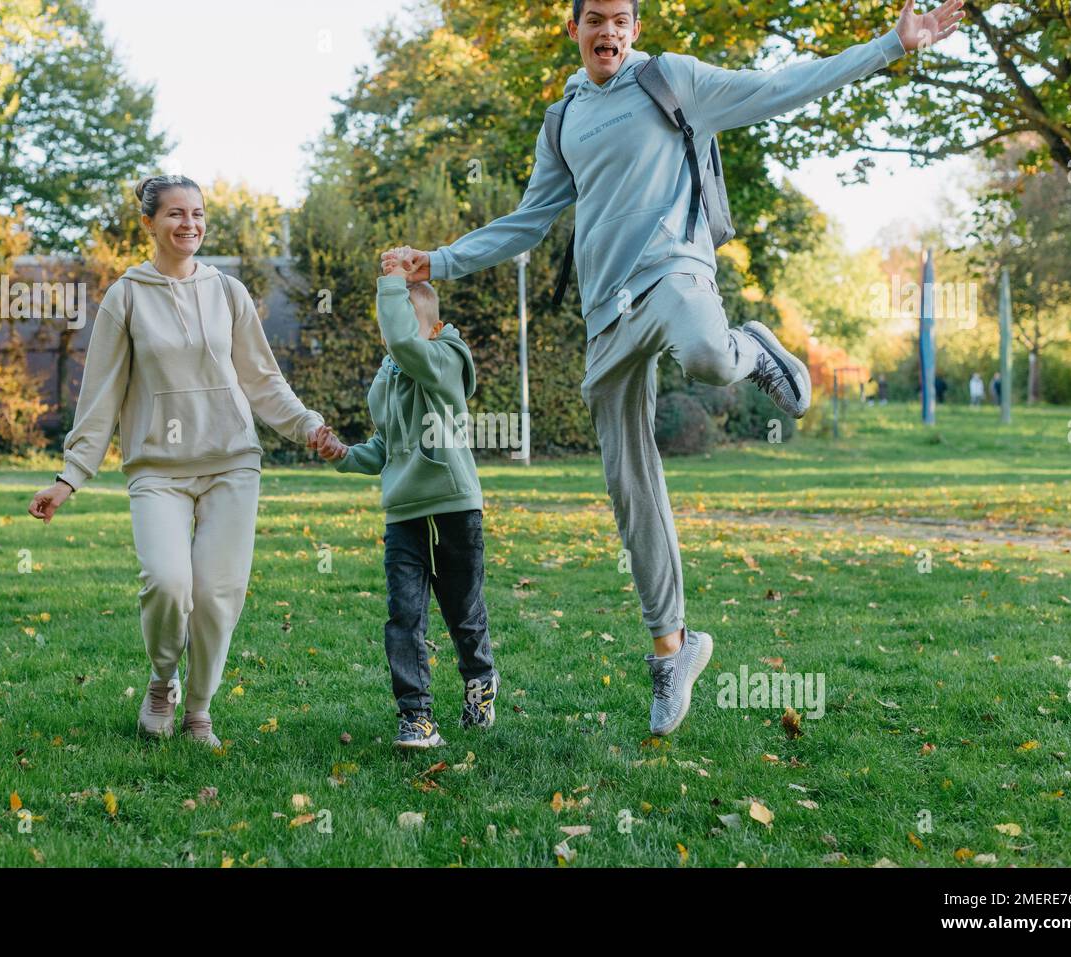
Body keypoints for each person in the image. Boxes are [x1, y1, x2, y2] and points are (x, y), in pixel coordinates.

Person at [384, 0, 963, 736]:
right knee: (632, 489)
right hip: (607, 314)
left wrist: (890, 44)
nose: (609, 31)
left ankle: (752, 346)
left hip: (677, 274)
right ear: (575, 30)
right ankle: (671, 648)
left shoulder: (674, 81)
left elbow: (780, 85)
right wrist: (440, 259)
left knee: (710, 355)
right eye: (595, 18)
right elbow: (527, 223)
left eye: (622, 18)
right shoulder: (562, 120)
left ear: (635, 29)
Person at [27, 174, 329, 748]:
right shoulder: (127, 295)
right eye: (174, 214)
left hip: (231, 462)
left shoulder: (229, 292)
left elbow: (262, 380)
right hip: (157, 469)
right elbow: (101, 394)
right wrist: (71, 476)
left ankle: (198, 711)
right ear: (148, 224)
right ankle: (162, 682)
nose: (188, 224)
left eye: (197, 213)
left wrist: (308, 426)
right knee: (167, 583)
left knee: (218, 593)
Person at [312, 248, 497, 749]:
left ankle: (480, 678)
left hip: (454, 508)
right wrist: (341, 454)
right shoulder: (388, 376)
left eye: (403, 327)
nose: (393, 341)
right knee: (404, 616)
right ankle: (416, 716)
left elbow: (405, 343)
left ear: (432, 331)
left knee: (463, 612)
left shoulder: (443, 360)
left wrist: (392, 280)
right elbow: (382, 449)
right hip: (404, 516)